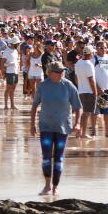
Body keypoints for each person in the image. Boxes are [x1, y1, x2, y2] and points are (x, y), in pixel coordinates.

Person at [29, 60, 81, 196]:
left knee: (59, 158)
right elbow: (34, 106)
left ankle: (55, 187)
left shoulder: (68, 86)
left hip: (62, 128)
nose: (61, 73)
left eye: (63, 71)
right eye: (58, 71)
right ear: (50, 73)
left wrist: (78, 123)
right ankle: (47, 185)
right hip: (45, 126)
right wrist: (32, 124)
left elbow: (77, 107)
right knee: (46, 157)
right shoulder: (42, 86)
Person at [72, 44, 97, 137]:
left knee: (82, 112)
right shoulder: (89, 64)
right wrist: (95, 92)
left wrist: (80, 86)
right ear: (90, 54)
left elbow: (76, 78)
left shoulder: (78, 63)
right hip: (89, 92)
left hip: (80, 91)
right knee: (86, 113)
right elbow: (91, 80)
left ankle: (79, 132)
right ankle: (83, 133)